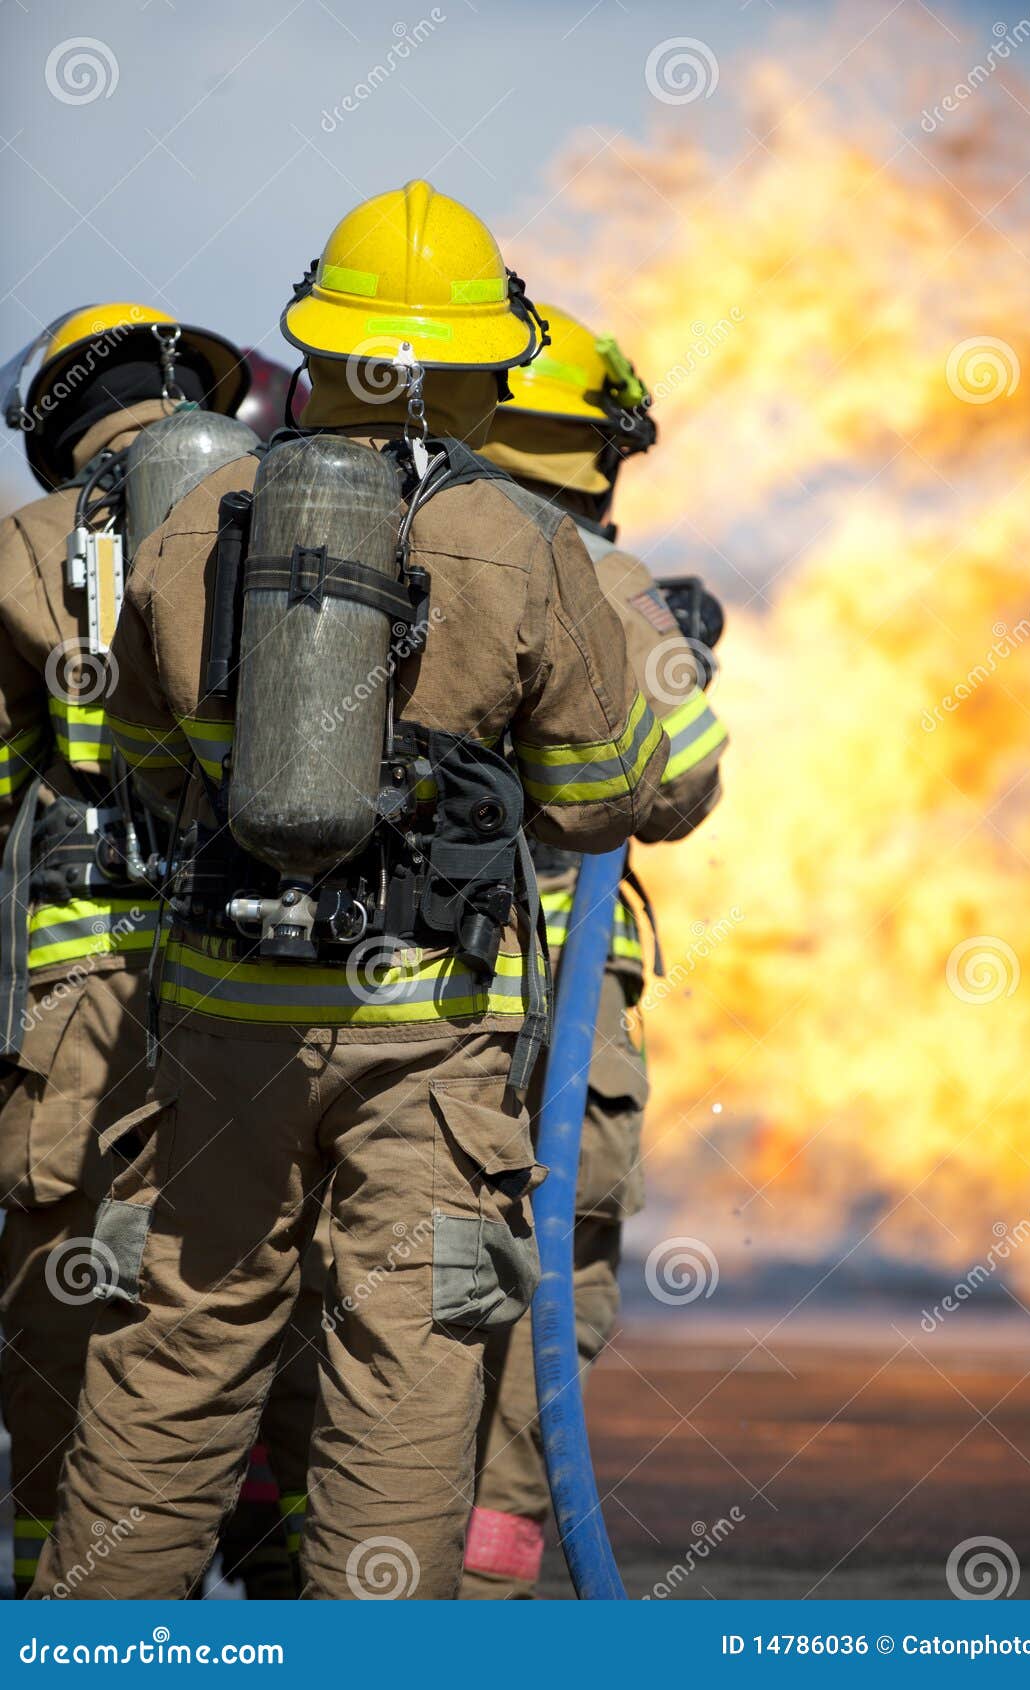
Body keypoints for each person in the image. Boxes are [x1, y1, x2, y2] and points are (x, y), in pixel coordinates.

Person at [30, 181, 668, 1601]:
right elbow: (601, 794)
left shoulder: (198, 515)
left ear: (315, 355)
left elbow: (140, 753)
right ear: (479, 371)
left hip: (212, 1025)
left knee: (175, 1354)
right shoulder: (526, 547)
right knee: (403, 1376)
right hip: (427, 1036)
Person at [461, 305, 727, 1598]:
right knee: (530, 1321)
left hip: (360, 1016)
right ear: (591, 445)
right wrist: (676, 655)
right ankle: (480, 1614)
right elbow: (675, 783)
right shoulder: (593, 573)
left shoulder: (387, 537)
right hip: (546, 1025)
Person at [0, 303, 248, 1594]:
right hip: (287, 997)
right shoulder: (304, 516)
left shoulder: (26, 552)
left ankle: (76, 1608)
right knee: (259, 1297)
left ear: (53, 419)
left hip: (84, 1010)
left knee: (68, 1307)